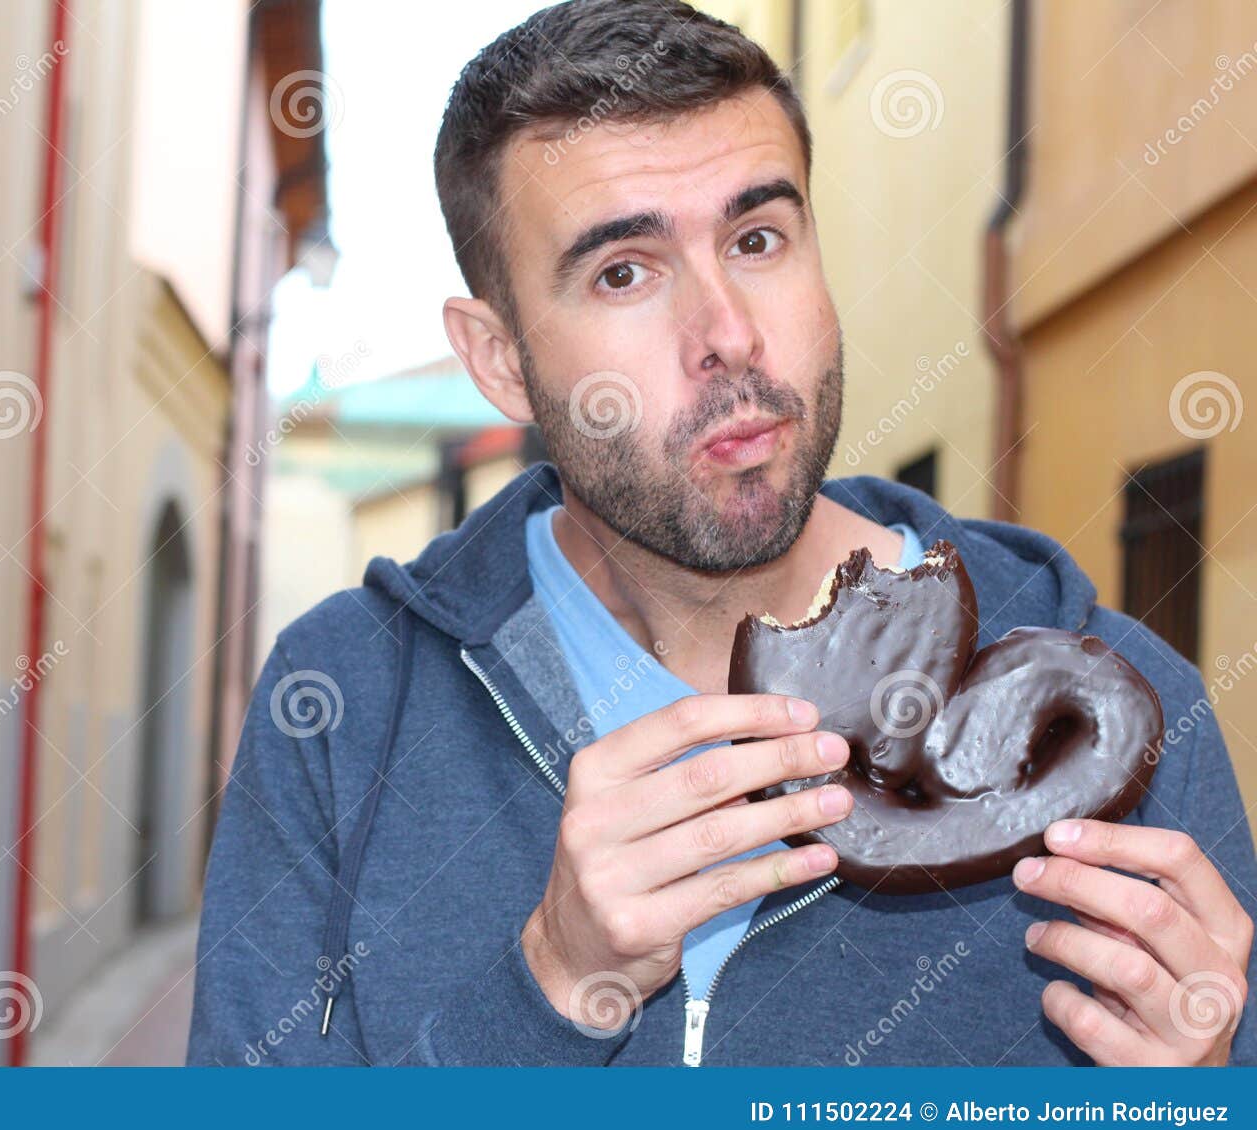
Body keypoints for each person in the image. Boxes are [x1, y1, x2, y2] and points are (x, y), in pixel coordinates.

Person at [187, 0, 1255, 1066]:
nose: (729, 334)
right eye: (623, 271)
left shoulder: (1120, 720)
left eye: (757, 239)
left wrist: (1198, 1107)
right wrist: (552, 986)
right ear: (499, 358)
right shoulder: (341, 707)